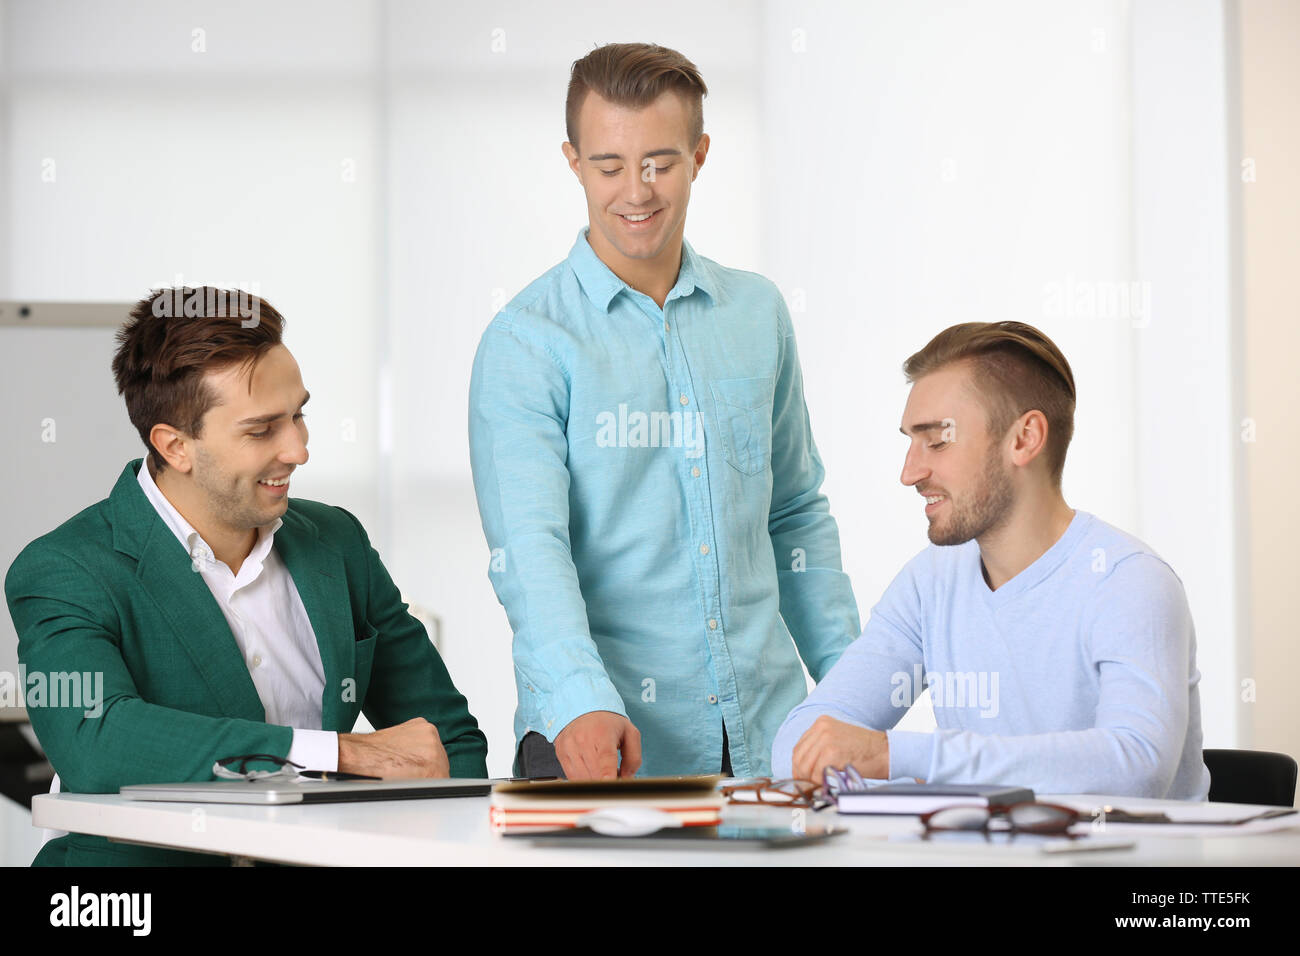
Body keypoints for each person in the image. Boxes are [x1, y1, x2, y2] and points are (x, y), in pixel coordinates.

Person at [469, 43, 859, 780]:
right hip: (598, 738)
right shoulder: (526, 341)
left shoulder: (757, 313)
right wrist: (580, 697)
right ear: (574, 162)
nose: (637, 190)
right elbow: (530, 547)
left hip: (768, 737)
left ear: (700, 155)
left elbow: (795, 513)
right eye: (609, 165)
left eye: (660, 161)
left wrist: (850, 686)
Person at [5, 288, 488, 865]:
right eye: (262, 431)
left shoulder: (337, 543)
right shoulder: (66, 567)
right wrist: (339, 754)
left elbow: (446, 741)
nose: (299, 451)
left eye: (299, 415)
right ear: (175, 446)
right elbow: (97, 742)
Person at [772, 321, 1210, 800]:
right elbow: (799, 745)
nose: (909, 472)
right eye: (909, 442)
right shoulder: (929, 584)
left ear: (1024, 439)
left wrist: (903, 758)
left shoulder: (1128, 581)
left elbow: (1135, 767)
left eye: (937, 440)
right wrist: (928, 781)